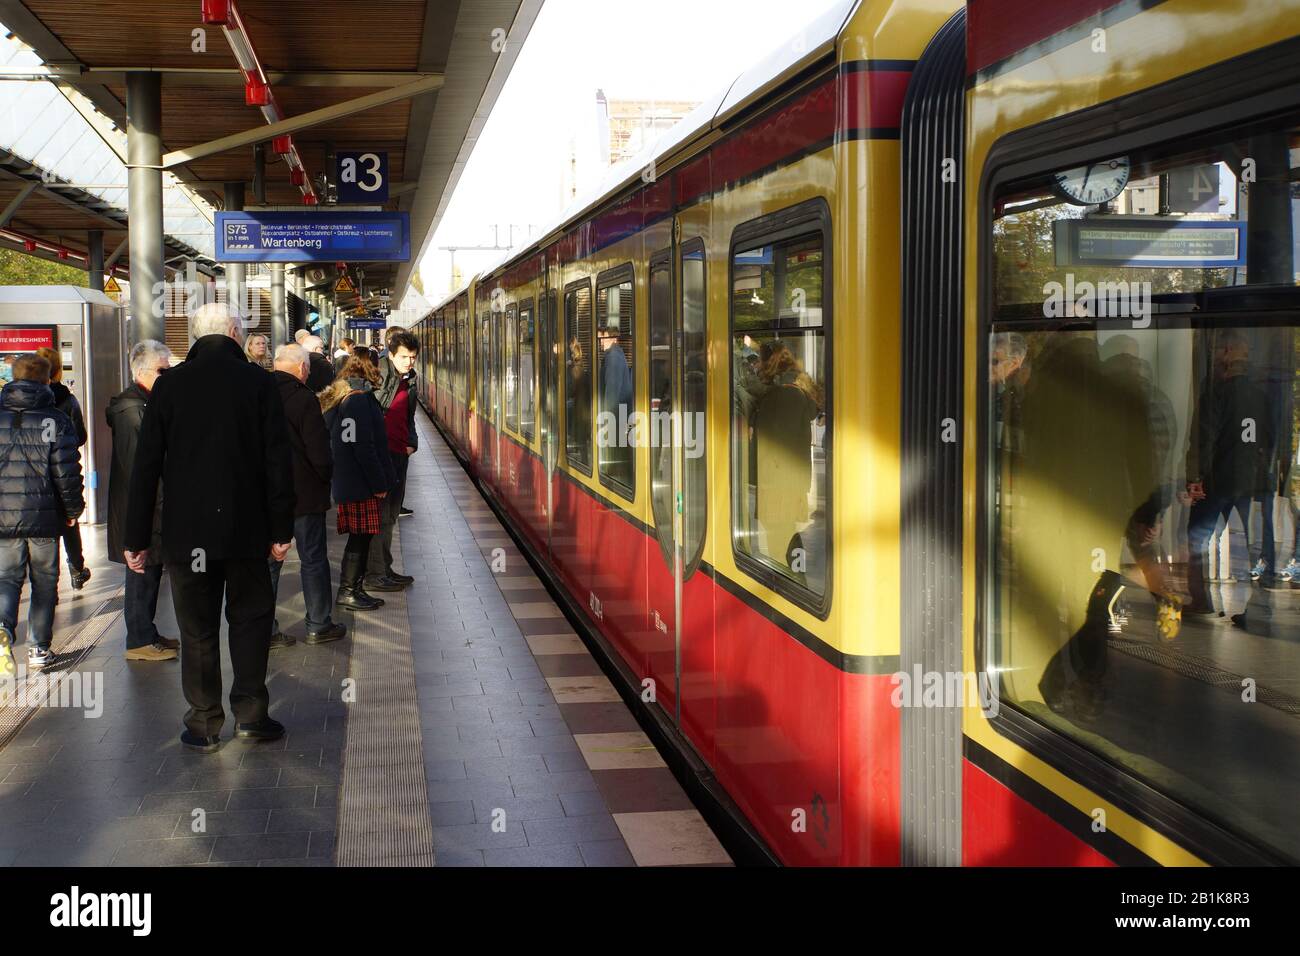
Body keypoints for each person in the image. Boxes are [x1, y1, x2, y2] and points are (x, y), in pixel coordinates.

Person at [124, 302, 295, 753]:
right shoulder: (259, 382)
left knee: (197, 628)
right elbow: (279, 462)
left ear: (196, 337)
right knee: (251, 621)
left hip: (187, 536)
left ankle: (203, 723)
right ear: (235, 333)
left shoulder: (170, 385)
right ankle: (252, 716)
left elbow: (145, 468)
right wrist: (281, 531)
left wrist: (136, 539)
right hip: (246, 531)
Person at [0, 354, 84, 675]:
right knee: (45, 581)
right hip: (45, 516)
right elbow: (65, 472)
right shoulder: (53, 420)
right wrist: (73, 509)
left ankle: (4, 628)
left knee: (7, 578)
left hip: (4, 518)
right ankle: (38, 648)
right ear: (46, 379)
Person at [268, 344, 346, 647]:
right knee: (312, 559)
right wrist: (326, 478)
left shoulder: (258, 395)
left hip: (269, 496)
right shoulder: (304, 399)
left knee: (270, 562)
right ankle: (318, 624)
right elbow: (320, 454)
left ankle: (267, 629)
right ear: (302, 368)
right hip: (304, 497)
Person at [106, 340, 178, 662]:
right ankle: (138, 639)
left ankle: (145, 632)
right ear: (142, 372)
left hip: (150, 506)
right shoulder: (133, 410)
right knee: (141, 570)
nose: (167, 375)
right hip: (143, 508)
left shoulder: (145, 403)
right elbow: (142, 469)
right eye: (162, 370)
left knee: (150, 570)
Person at [320, 357, 394, 611]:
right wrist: (378, 482)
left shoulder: (343, 398)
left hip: (350, 480)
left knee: (359, 535)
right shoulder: (358, 401)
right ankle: (349, 590)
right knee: (360, 537)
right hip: (360, 482)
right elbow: (363, 446)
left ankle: (354, 589)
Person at [365, 330, 419, 592]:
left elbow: (409, 417)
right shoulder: (379, 375)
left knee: (391, 515)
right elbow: (370, 412)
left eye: (412, 357)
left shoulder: (410, 380)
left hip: (399, 452)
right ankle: (375, 574)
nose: (409, 362)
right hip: (381, 453)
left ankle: (385, 567)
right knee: (380, 515)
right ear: (391, 354)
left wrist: (412, 442)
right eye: (404, 357)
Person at [35, 347, 92, 592]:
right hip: (64, 470)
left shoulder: (23, 402)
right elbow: (80, 435)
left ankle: (46, 580)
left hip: (35, 476)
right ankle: (77, 568)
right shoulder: (67, 399)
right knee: (69, 521)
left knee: (42, 529)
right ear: (57, 370)